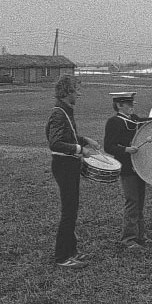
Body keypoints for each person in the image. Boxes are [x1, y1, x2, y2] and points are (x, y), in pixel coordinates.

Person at [45, 74, 101, 269]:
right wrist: (80, 149)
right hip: (64, 166)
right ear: (67, 91)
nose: (79, 93)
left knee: (72, 210)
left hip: (69, 166)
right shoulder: (59, 113)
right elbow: (56, 142)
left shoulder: (65, 111)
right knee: (69, 213)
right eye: (77, 89)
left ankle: (71, 251)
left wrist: (85, 140)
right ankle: (62, 257)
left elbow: (68, 134)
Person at [104, 92, 152, 249]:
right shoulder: (113, 122)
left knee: (140, 203)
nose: (132, 106)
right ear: (119, 105)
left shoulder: (133, 119)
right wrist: (126, 149)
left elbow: (146, 121)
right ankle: (129, 239)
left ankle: (141, 236)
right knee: (132, 202)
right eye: (129, 104)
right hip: (127, 168)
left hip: (139, 166)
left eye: (132, 104)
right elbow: (108, 146)